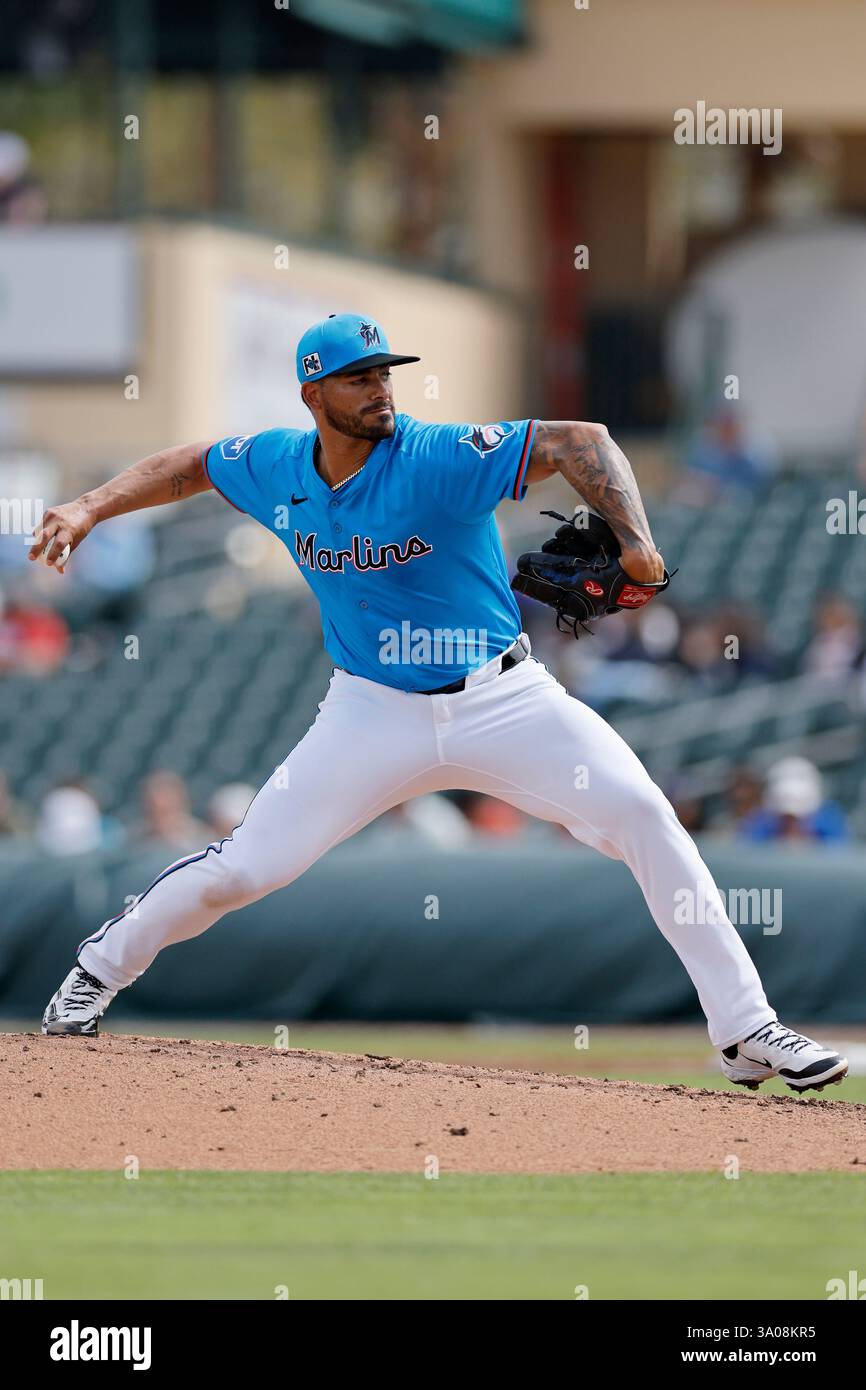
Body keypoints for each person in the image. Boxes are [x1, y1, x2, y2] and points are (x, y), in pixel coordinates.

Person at [33, 311, 847, 1093]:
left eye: (385, 372)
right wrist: (88, 507)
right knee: (246, 867)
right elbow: (191, 464)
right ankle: (94, 973)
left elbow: (581, 441)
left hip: (505, 699)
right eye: (358, 379)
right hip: (370, 712)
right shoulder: (278, 464)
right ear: (314, 396)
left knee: (644, 814)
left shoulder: (439, 455)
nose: (380, 389)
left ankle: (745, 1029)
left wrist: (635, 542)